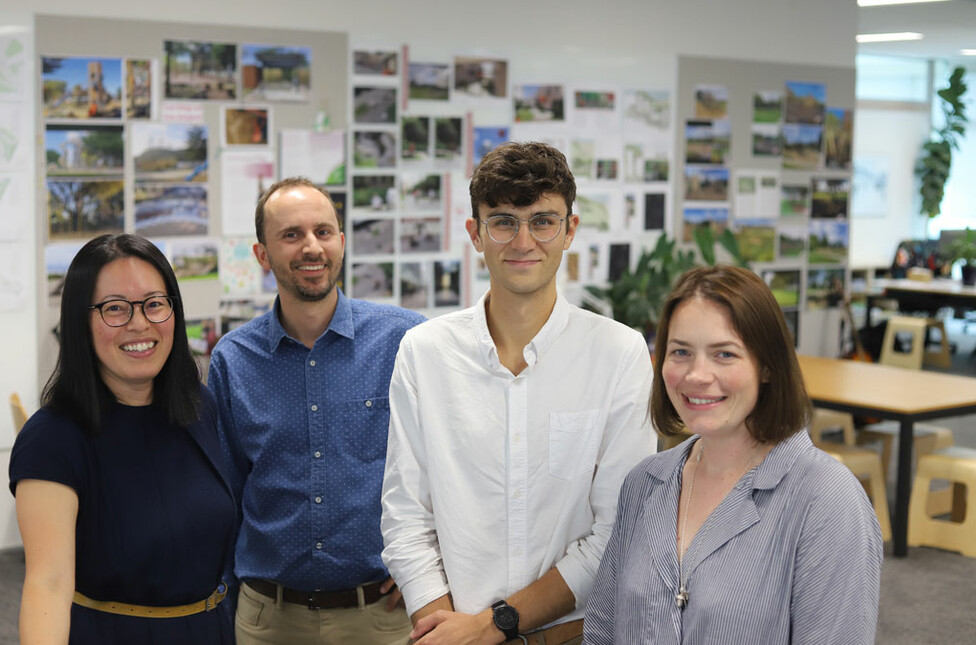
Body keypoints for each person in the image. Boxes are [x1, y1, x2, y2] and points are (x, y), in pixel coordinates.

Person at [381, 141, 657, 645]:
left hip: (569, 637)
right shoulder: (424, 353)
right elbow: (405, 520)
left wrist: (492, 627)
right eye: (504, 221)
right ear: (476, 234)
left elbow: (617, 531)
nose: (523, 240)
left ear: (570, 230)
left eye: (543, 221)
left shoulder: (619, 354)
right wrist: (447, 632)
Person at [583, 265, 883, 644]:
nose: (696, 375)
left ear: (768, 367)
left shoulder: (827, 501)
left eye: (724, 354)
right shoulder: (645, 483)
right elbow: (602, 631)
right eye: (680, 352)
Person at [208, 177, 426, 644]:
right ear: (262, 254)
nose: (311, 248)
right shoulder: (233, 359)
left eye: (323, 232)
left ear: (341, 243)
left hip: (383, 618)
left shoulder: (404, 340)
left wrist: (438, 560)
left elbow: (450, 462)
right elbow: (226, 493)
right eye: (291, 235)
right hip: (270, 619)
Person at [10, 234, 236, 644]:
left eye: (154, 304)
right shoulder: (51, 439)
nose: (139, 323)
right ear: (80, 321)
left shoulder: (198, 406)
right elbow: (48, 585)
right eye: (115, 308)